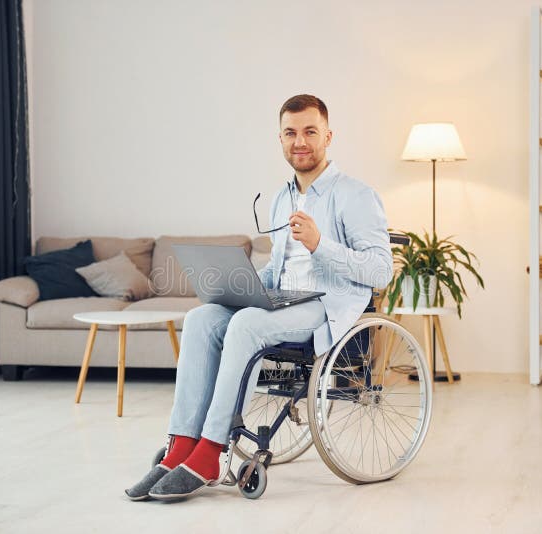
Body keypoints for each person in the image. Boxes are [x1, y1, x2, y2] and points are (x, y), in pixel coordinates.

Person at [125, 94, 392, 501]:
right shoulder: (282, 198)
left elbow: (380, 271)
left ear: (328, 136)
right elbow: (278, 270)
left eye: (309, 132)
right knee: (202, 318)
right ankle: (180, 445)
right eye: (290, 133)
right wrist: (243, 287)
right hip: (283, 300)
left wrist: (321, 244)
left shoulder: (356, 195)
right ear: (280, 139)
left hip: (327, 306)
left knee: (245, 324)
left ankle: (211, 451)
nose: (299, 141)